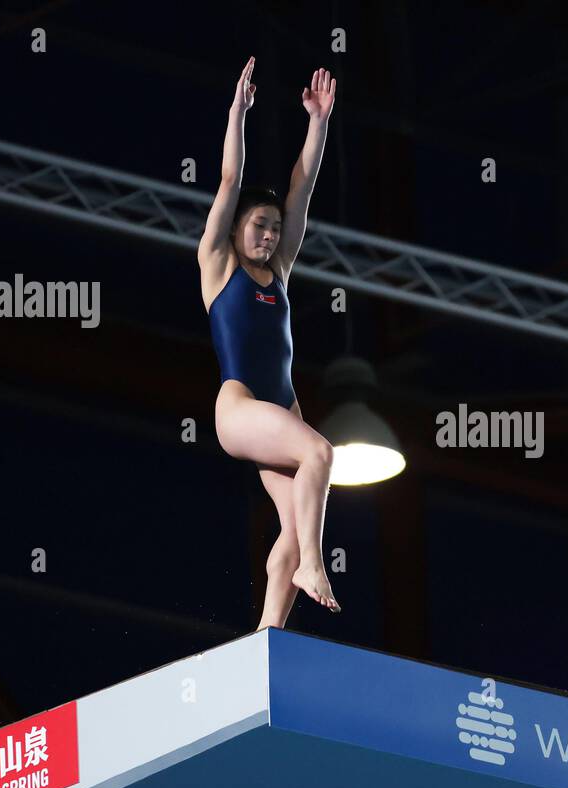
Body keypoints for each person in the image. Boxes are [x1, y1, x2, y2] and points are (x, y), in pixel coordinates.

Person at [198, 57, 341, 624]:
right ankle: (314, 564)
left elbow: (302, 188)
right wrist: (237, 114)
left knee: (292, 524)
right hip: (238, 409)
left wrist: (319, 123)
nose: (269, 233)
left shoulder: (279, 271)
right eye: (258, 225)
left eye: (275, 228)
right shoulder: (217, 265)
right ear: (235, 229)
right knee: (320, 453)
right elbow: (230, 182)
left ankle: (267, 637)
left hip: (281, 405)